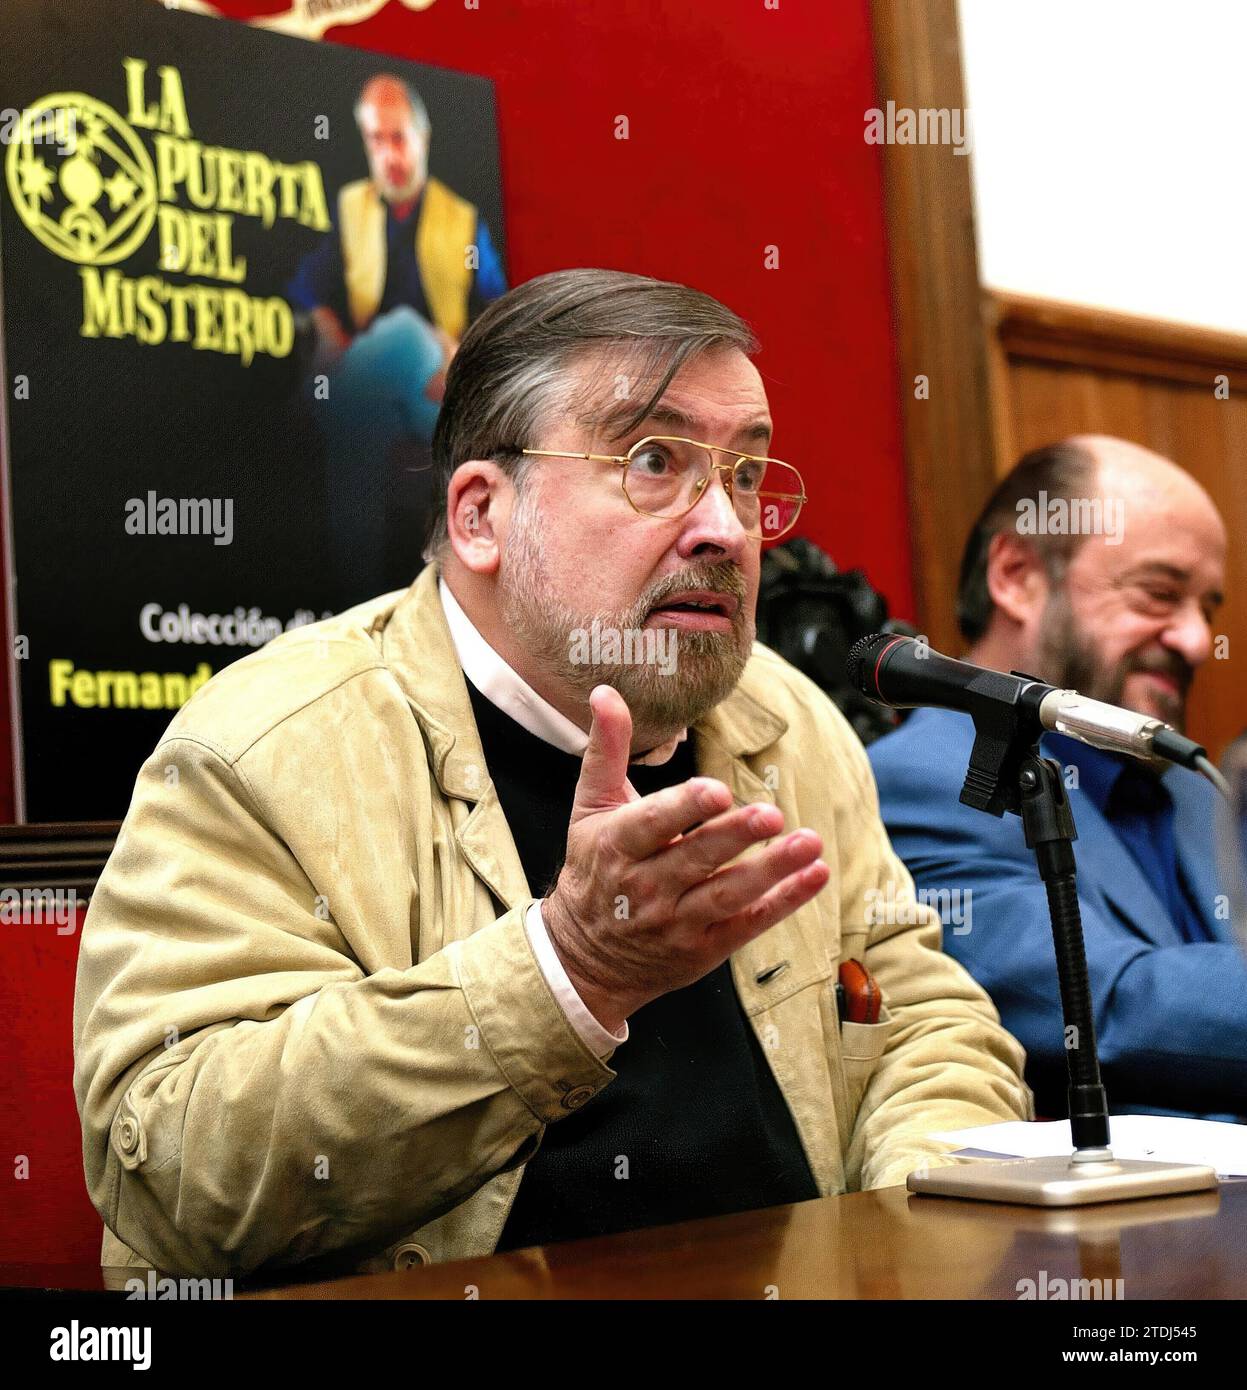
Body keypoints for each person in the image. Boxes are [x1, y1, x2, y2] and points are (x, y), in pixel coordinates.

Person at [75, 269, 1030, 1281]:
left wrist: (912, 1231)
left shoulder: (788, 720)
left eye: (746, 474)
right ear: (482, 514)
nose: (724, 527)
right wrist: (568, 972)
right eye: (655, 460)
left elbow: (925, 1020)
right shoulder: (265, 745)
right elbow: (174, 1172)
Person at [869, 437, 1246, 1121]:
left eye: (1207, 609)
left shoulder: (1193, 784)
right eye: (1160, 593)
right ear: (1015, 574)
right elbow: (1098, 1011)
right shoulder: (920, 781)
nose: (1195, 640)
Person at [287, 73, 508, 600]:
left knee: (405, 333)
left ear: (423, 137)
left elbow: (501, 312)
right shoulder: (351, 210)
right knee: (365, 410)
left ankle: (354, 593)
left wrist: (458, 363)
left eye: (399, 137)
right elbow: (304, 284)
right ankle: (367, 599)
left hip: (441, 386)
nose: (389, 154)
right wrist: (328, 328)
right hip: (377, 386)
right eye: (376, 139)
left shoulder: (462, 220)